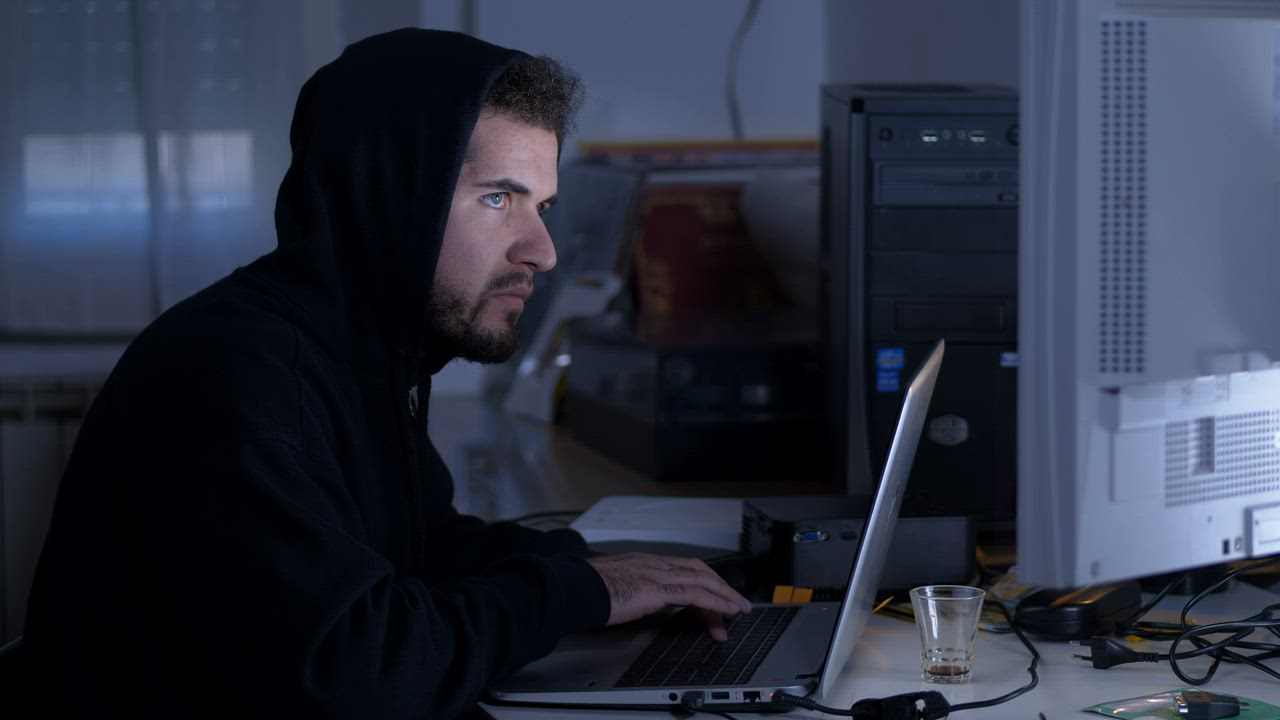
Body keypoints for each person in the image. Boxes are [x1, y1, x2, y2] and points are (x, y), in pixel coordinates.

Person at [22, 29, 750, 718]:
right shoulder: (233, 377)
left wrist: (605, 568)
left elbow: (416, 549)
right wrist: (570, 592)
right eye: (498, 199)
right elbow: (362, 672)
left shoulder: (368, 351)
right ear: (389, 196)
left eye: (543, 206)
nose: (542, 250)